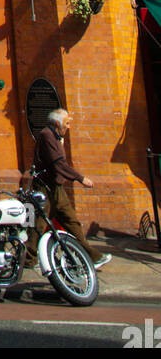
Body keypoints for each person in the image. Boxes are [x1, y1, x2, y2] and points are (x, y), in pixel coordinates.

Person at [24, 108, 111, 271]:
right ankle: (29, 258)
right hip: (44, 188)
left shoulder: (55, 136)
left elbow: (59, 161)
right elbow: (58, 164)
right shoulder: (46, 135)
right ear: (57, 123)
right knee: (38, 224)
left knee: (71, 221)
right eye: (67, 123)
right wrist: (80, 178)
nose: (69, 127)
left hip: (56, 188)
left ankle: (92, 256)